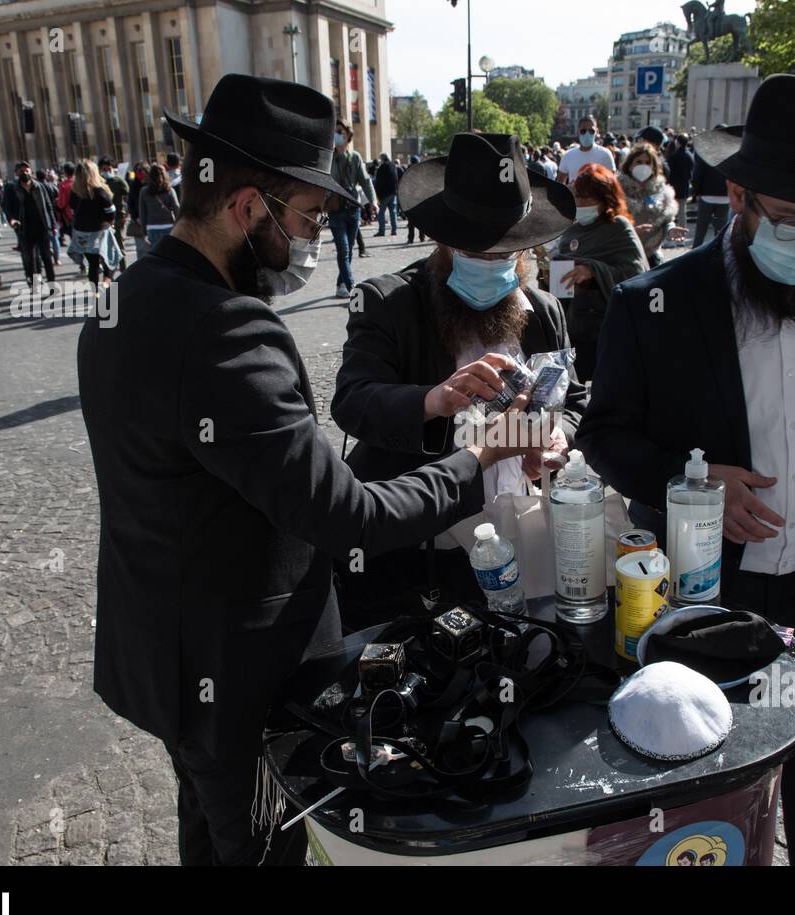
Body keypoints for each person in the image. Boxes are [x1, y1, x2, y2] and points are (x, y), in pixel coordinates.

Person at [77, 75, 540, 866]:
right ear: (247, 207)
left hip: (166, 655)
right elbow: (345, 515)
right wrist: (484, 454)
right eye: (308, 217)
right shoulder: (227, 331)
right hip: (241, 676)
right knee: (263, 849)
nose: (314, 239)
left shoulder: (128, 296)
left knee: (211, 831)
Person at [577, 74, 795, 866]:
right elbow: (603, 434)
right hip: (709, 597)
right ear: (740, 197)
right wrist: (686, 482)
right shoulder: (654, 304)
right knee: (708, 801)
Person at [331, 132, 584, 630]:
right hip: (428, 546)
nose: (491, 264)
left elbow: (573, 399)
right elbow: (352, 399)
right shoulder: (389, 303)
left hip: (521, 529)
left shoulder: (545, 312)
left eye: (504, 253)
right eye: (476, 251)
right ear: (444, 241)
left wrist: (558, 439)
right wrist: (434, 400)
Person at [550, 163, 648, 382]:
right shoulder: (572, 230)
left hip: (609, 329)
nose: (580, 203)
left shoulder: (618, 228)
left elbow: (637, 275)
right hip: (575, 327)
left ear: (605, 200)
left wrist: (593, 271)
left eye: (587, 198)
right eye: (578, 197)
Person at [327, 120, 376, 298]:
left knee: (350, 248)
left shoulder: (355, 157)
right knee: (344, 250)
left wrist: (373, 201)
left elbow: (365, 181)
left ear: (348, 135)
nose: (336, 135)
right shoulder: (329, 157)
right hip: (335, 210)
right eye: (334, 131)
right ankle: (352, 286)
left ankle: (341, 283)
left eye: (340, 131)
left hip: (353, 209)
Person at [618, 142, 678, 267]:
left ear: (654, 167)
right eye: (639, 162)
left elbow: (667, 219)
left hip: (652, 256)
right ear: (630, 165)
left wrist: (671, 229)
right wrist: (630, 233)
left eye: (647, 162)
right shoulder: (617, 190)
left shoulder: (661, 191)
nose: (643, 166)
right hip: (624, 255)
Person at [67, 159, 121, 287]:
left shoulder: (75, 192)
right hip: (99, 230)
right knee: (112, 256)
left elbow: (72, 208)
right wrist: (110, 222)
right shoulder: (98, 191)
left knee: (93, 263)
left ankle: (95, 291)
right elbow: (111, 210)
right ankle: (107, 281)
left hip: (81, 232)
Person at [1, 161, 57, 285]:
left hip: (42, 227)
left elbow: (48, 206)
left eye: (26, 171)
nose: (24, 173)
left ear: (31, 172)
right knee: (30, 259)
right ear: (16, 174)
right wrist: (11, 219)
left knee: (47, 257)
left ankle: (52, 283)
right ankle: (36, 283)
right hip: (24, 228)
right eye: (21, 171)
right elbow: (6, 207)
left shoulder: (39, 186)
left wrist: (53, 225)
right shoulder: (11, 188)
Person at [692, 126, 733, 247]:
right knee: (720, 231)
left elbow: (697, 174)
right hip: (725, 196)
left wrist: (696, 193)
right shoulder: (731, 152)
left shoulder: (704, 150)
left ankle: (695, 254)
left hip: (706, 195)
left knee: (701, 230)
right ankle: (717, 256)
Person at [557, 115, 616, 186]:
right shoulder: (568, 155)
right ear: (578, 131)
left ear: (596, 131)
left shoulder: (605, 154)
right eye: (583, 131)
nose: (587, 134)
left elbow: (612, 183)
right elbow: (560, 184)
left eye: (591, 131)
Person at [137, 162, 179, 249]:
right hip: (168, 225)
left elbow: (142, 212)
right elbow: (176, 208)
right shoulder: (169, 190)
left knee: (156, 255)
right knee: (170, 253)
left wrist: (144, 231)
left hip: (152, 227)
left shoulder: (144, 191)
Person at [99, 157, 130, 272]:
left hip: (118, 217)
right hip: (104, 219)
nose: (106, 171)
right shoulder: (99, 182)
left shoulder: (118, 181)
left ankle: (124, 270)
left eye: (108, 168)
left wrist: (126, 211)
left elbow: (127, 193)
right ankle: (108, 271)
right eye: (104, 169)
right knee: (104, 247)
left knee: (120, 244)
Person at [666, 133, 694, 231]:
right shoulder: (690, 155)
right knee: (682, 212)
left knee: (672, 212)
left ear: (678, 142)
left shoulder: (673, 157)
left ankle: (672, 232)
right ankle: (682, 232)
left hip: (673, 187)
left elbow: (669, 172)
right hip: (684, 186)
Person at [372, 153, 399, 237]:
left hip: (385, 193)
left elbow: (379, 182)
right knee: (393, 212)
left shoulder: (382, 168)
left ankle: (382, 230)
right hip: (393, 192)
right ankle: (394, 230)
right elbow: (396, 178)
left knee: (381, 213)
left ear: (382, 159)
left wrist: (378, 195)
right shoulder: (393, 165)